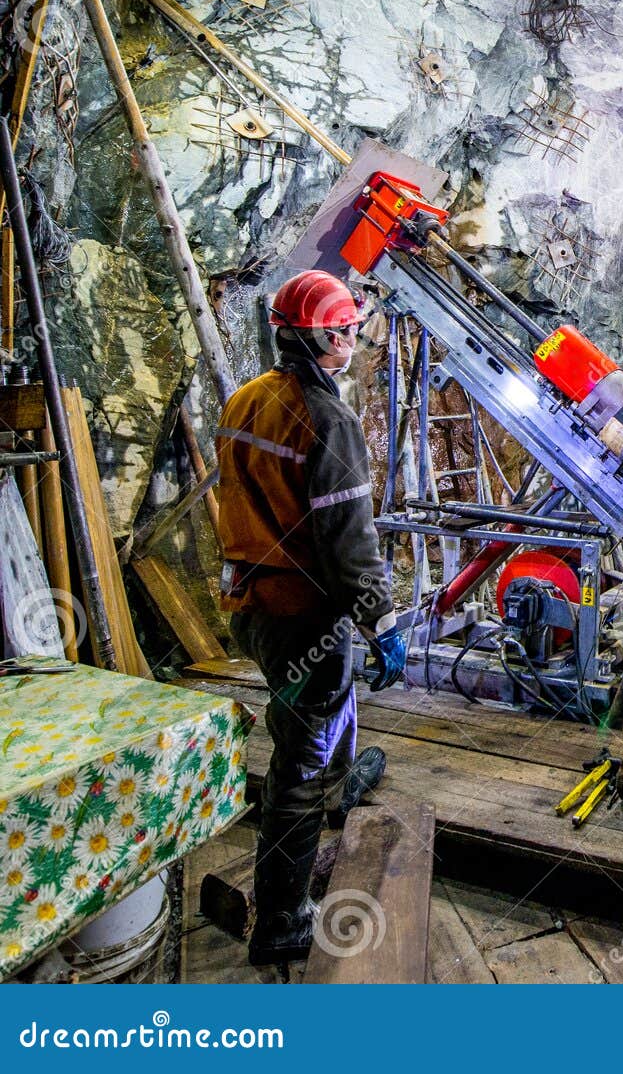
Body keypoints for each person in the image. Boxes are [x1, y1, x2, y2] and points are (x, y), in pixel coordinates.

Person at [215, 269, 408, 966]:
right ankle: (283, 920)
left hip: (254, 604)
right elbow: (350, 546)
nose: (354, 338)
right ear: (320, 335)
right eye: (346, 329)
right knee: (297, 763)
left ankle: (340, 783)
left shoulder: (246, 398)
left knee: (314, 721)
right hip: (304, 616)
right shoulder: (329, 420)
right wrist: (382, 625)